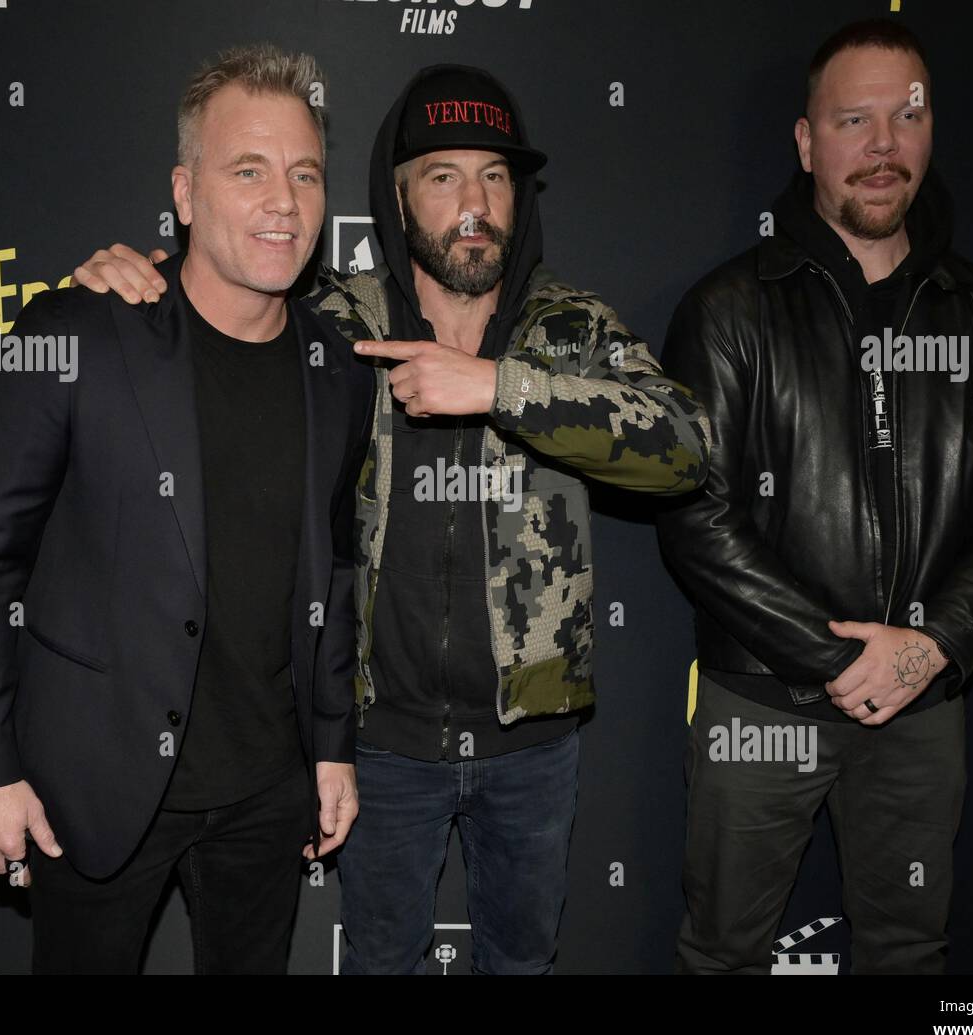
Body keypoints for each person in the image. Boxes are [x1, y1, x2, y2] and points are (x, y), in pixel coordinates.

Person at [75, 64, 711, 974]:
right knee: (378, 964)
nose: (474, 202)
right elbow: (221, 306)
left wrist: (500, 388)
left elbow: (687, 446)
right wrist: (133, 274)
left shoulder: (570, 329)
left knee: (521, 963)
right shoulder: (331, 319)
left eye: (495, 176)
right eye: (443, 175)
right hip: (379, 746)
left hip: (533, 744)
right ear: (397, 196)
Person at [0, 44, 374, 974]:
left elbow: (334, 569)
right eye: (247, 170)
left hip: (267, 790)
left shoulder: (336, 368)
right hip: (94, 785)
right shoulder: (77, 331)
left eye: (304, 174)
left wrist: (331, 747)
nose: (283, 202)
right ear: (184, 191)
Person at [655, 19, 973, 974]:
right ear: (807, 142)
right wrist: (837, 660)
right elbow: (695, 514)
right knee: (723, 953)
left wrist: (929, 650)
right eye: (854, 121)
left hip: (923, 706)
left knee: (908, 952)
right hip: (762, 702)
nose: (883, 147)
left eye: (907, 118)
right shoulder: (729, 309)